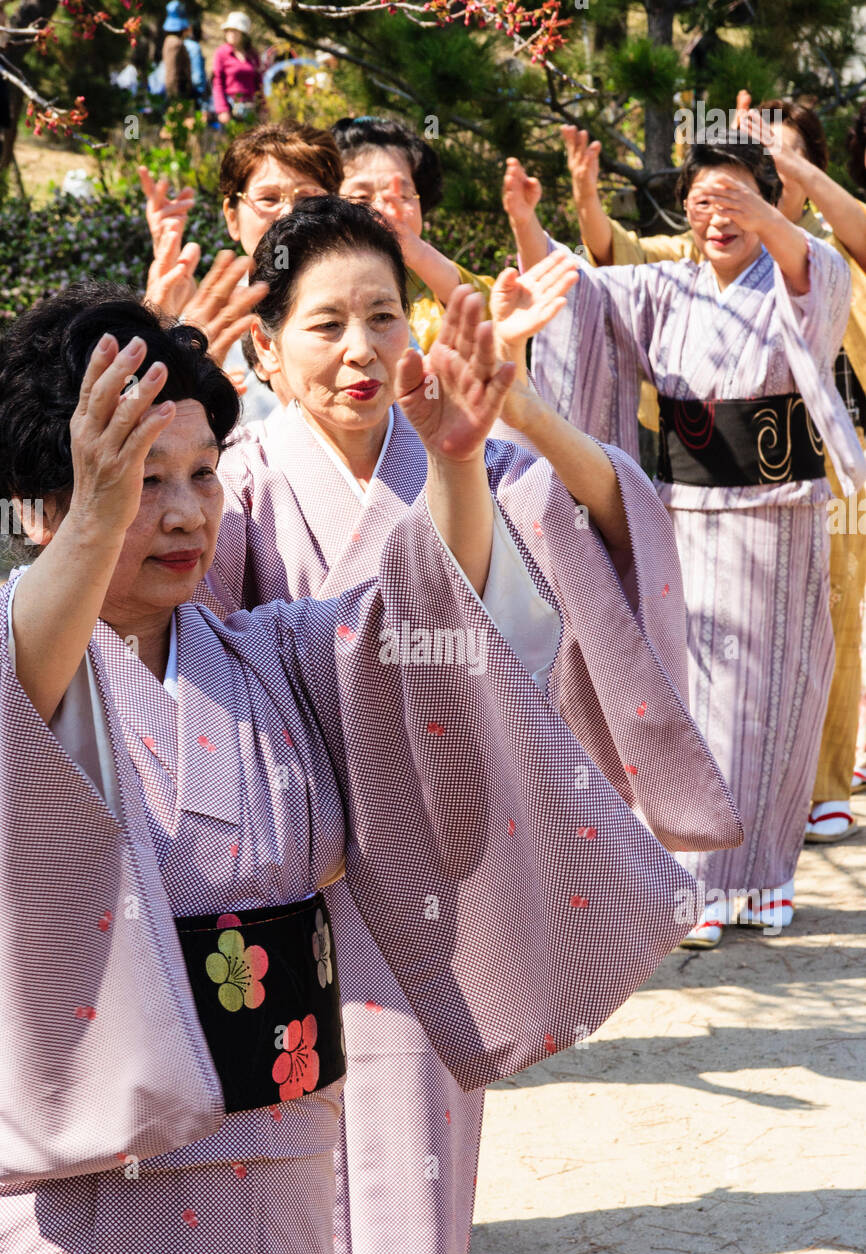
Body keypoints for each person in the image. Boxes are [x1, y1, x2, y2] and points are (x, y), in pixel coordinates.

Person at [0, 278, 717, 1254]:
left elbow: (430, 638)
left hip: (284, 1159)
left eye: (202, 474)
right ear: (49, 510)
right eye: (135, 480)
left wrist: (458, 467)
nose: (181, 511)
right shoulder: (22, 670)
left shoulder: (273, 656)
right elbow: (23, 682)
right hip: (91, 1205)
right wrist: (92, 518)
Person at [198, 196, 742, 1254]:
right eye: (324, 323)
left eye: (383, 316)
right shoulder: (237, 484)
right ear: (264, 343)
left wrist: (517, 418)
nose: (361, 350)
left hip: (427, 876)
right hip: (279, 882)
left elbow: (598, 534)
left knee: (408, 1207)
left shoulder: (460, 453)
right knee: (271, 1196)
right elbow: (177, 663)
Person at [510, 135, 863, 948]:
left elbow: (823, 280)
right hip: (685, 513)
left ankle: (766, 873)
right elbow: (578, 296)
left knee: (774, 698)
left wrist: (772, 208)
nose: (717, 215)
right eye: (702, 200)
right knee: (694, 699)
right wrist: (534, 224)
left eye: (735, 198)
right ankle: (695, 876)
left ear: (770, 205)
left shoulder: (796, 271)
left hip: (780, 513)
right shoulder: (665, 287)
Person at [139, 121, 341, 419]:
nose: (287, 213)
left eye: (308, 199)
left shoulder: (373, 300)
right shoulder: (207, 320)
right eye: (268, 198)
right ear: (231, 217)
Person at [333, 116, 495, 351]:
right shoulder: (309, 282)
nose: (382, 209)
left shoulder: (437, 280)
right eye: (361, 198)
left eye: (402, 195)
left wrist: (414, 250)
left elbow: (492, 310)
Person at [212, 11, 262, 125]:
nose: (231, 34)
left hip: (250, 107)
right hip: (230, 107)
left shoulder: (253, 55)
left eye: (234, 30)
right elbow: (217, 82)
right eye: (228, 30)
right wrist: (222, 109)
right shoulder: (222, 53)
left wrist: (263, 107)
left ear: (243, 34)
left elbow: (259, 82)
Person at [162, 1, 192, 102]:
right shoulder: (174, 43)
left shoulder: (170, 41)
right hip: (178, 96)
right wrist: (174, 99)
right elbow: (172, 74)